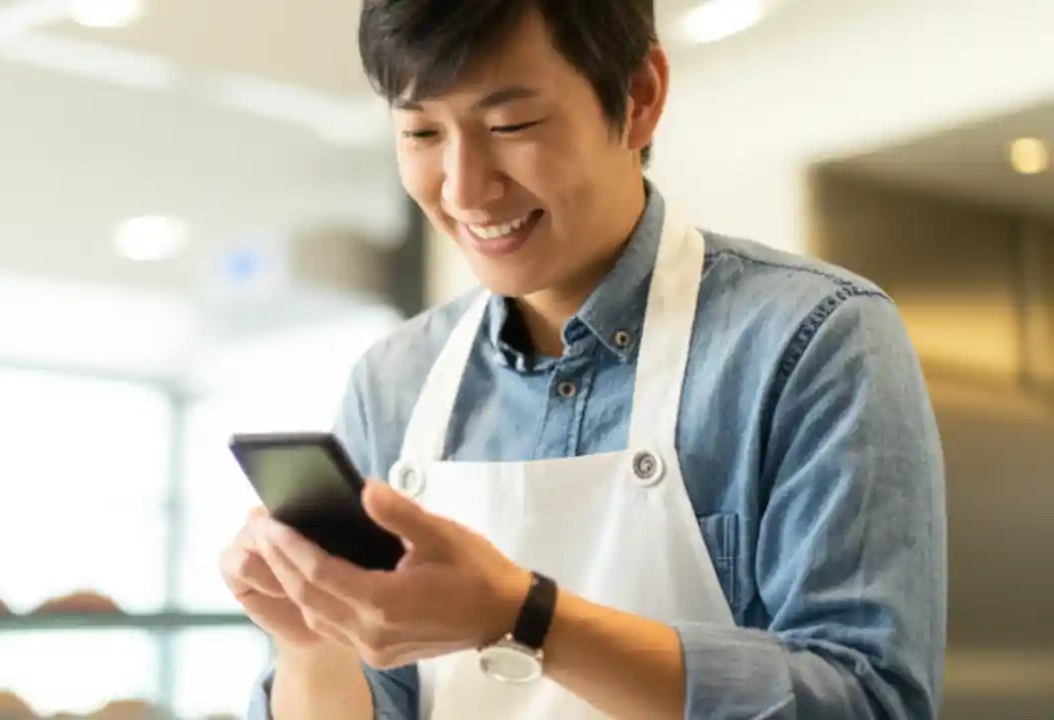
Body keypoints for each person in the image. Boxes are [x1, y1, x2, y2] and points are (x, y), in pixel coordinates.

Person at [219, 0, 946, 718]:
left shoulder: (810, 339)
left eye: (512, 125)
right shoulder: (394, 382)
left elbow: (868, 701)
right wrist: (313, 643)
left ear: (639, 97)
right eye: (421, 131)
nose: (465, 188)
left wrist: (526, 617)